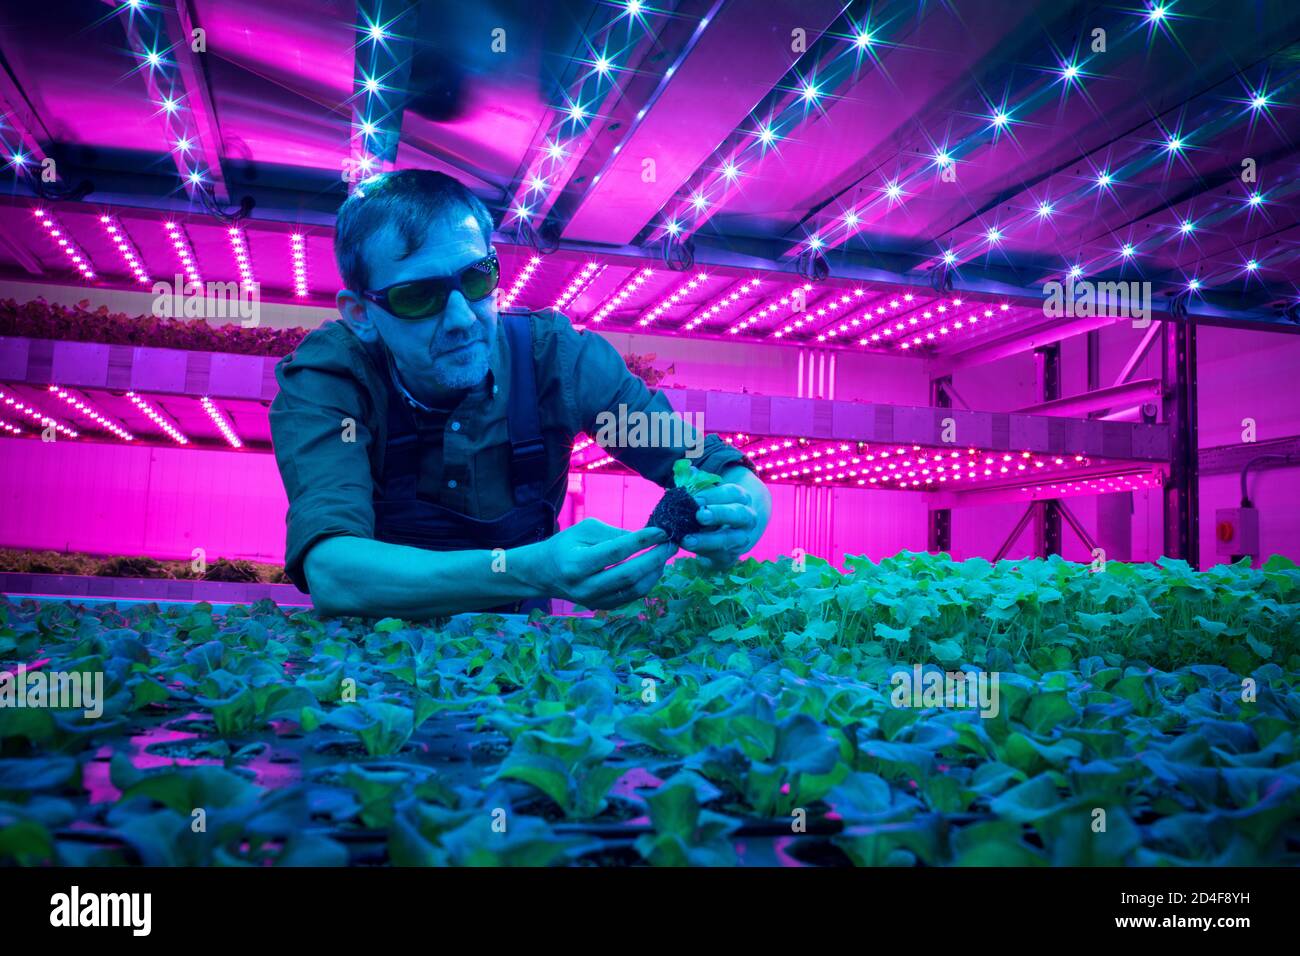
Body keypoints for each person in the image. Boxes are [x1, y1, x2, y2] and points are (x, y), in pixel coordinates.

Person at [269, 169, 771, 618]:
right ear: (360, 313)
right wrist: (526, 569)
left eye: (476, 278)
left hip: (521, 668)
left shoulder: (557, 361)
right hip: (374, 673)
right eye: (418, 297)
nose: (463, 319)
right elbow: (334, 573)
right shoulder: (331, 379)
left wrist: (741, 515)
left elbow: (721, 469)